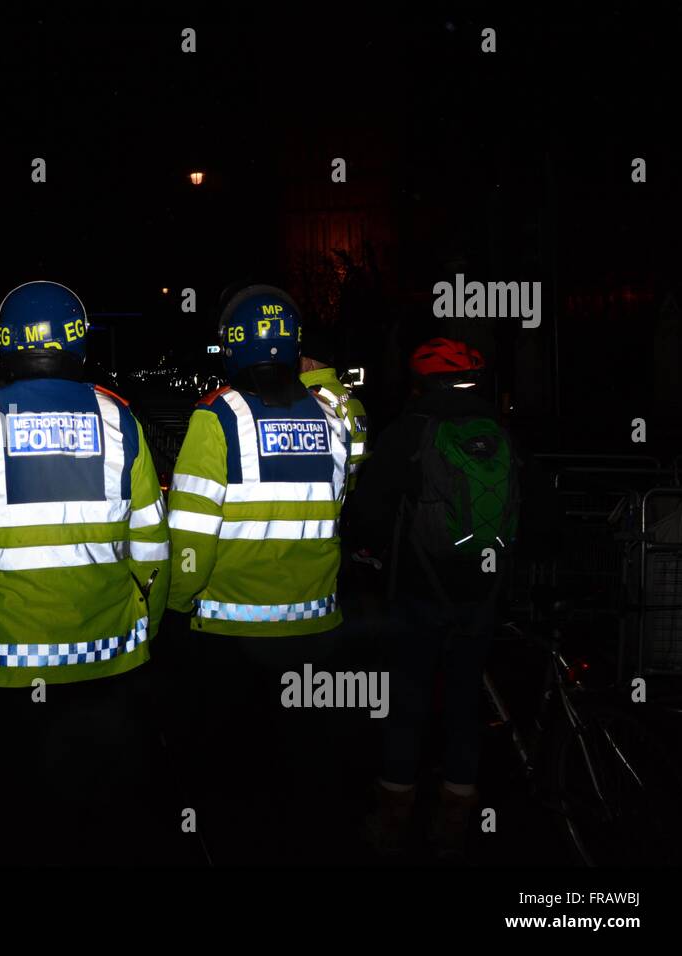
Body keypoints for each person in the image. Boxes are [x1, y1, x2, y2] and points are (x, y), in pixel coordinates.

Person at [0, 280, 172, 863]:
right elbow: (152, 546)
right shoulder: (121, 421)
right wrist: (146, 626)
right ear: (79, 342)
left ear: (3, 345)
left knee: (19, 821)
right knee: (103, 820)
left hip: (6, 675)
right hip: (109, 663)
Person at [165, 284, 351, 863]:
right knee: (303, 774)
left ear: (232, 345)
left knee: (235, 778)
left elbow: (192, 534)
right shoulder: (333, 416)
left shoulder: (217, 416)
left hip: (230, 639)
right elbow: (357, 462)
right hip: (315, 632)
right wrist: (327, 381)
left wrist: (174, 606)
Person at [348, 337, 519, 860]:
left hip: (419, 592)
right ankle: (455, 823)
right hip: (483, 596)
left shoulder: (409, 432)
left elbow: (367, 512)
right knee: (466, 704)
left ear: (420, 382)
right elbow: (543, 516)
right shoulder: (504, 434)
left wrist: (365, 555)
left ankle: (394, 820)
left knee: (409, 705)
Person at [298, 324, 368, 491]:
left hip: (326, 491)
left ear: (309, 364)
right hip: (349, 489)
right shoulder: (347, 396)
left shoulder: (315, 397)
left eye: (298, 359)